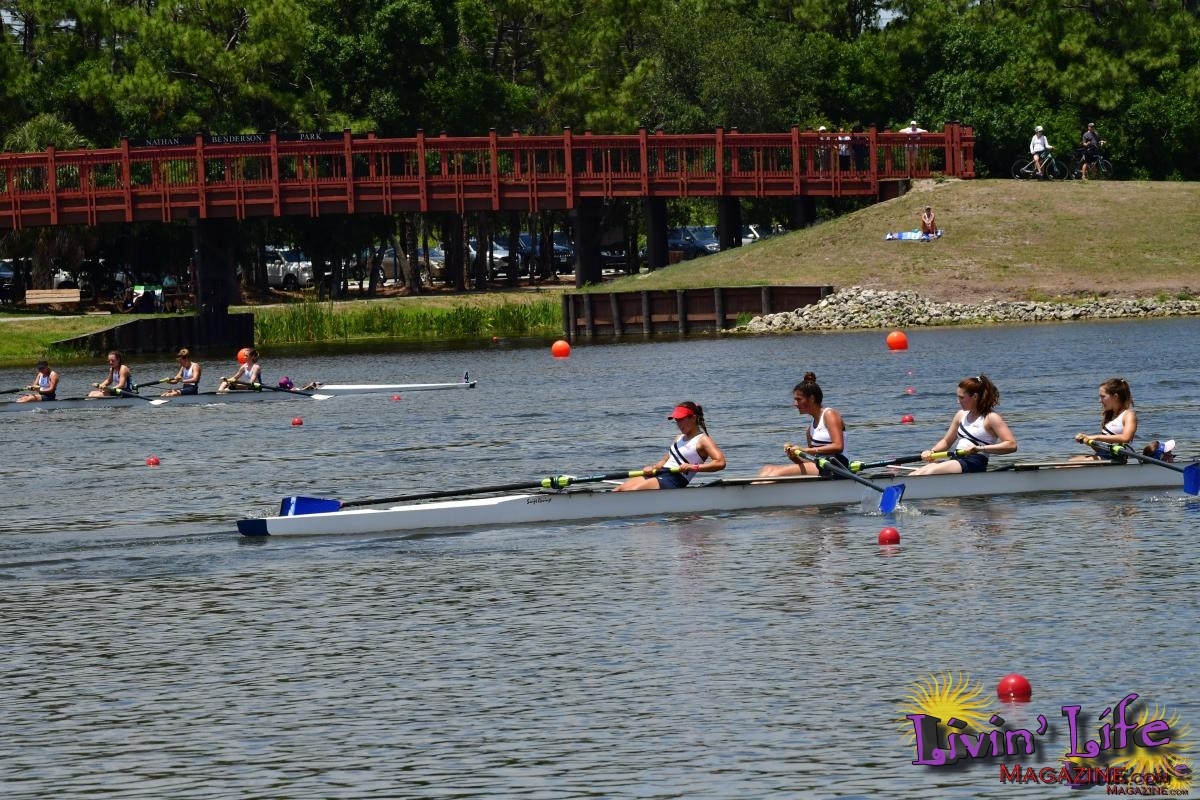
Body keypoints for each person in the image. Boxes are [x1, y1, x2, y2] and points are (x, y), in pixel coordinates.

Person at [910, 374, 1017, 475]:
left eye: (961, 397)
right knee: (918, 472)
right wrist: (931, 452)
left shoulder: (991, 417)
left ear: (974, 396)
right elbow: (947, 441)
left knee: (929, 472)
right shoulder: (960, 415)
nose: (958, 401)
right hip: (957, 459)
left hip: (975, 462)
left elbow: (1011, 445)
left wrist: (979, 449)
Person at [614, 401, 726, 491]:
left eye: (682, 419)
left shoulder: (703, 440)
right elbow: (665, 460)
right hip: (661, 473)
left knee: (632, 491)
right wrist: (652, 468)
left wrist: (693, 467)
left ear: (693, 418)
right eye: (677, 420)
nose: (679, 424)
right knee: (620, 489)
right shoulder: (679, 438)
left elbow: (720, 463)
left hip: (675, 479)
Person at [758, 373, 848, 477]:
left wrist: (805, 450)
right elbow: (809, 463)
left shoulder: (829, 414)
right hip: (821, 466)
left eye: (798, 399)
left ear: (812, 398)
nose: (795, 404)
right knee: (767, 468)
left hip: (837, 466)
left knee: (776, 473)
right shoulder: (809, 430)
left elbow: (838, 446)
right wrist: (793, 456)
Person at [1073, 378, 1136, 461]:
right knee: (1073, 460)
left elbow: (1126, 438)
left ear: (1115, 397)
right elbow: (1104, 449)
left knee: (1075, 462)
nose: (1100, 401)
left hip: (1122, 457)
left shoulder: (1128, 415)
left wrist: (1095, 437)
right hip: (1108, 455)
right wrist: (1088, 441)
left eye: (1103, 396)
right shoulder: (1110, 416)